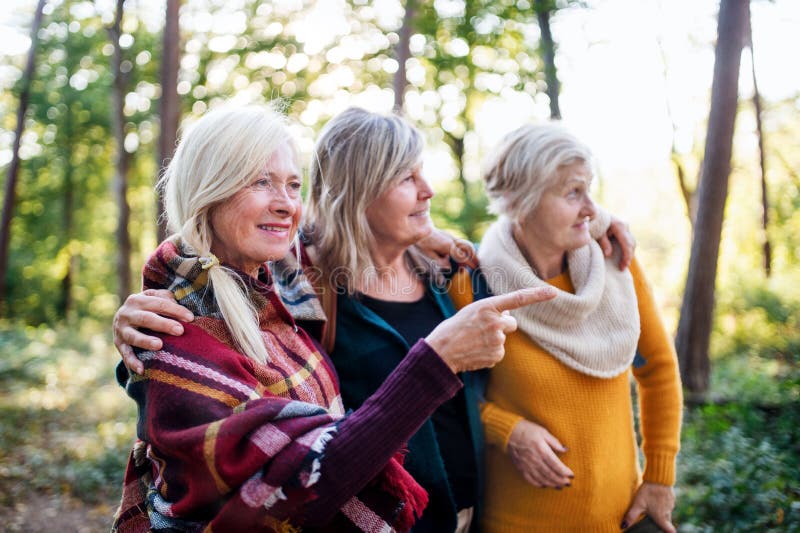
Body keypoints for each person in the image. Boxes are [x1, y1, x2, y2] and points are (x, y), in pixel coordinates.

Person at [113, 108, 636, 532]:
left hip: (475, 512)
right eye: (406, 177)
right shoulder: (306, 286)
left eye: (293, 185)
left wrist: (599, 219)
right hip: (384, 519)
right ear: (362, 192)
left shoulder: (448, 271)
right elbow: (216, 265)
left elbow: (531, 238)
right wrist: (148, 295)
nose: (427, 190)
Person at [448, 122, 683, 532]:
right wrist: (509, 431)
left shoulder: (616, 266)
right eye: (573, 193)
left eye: (588, 190)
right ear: (523, 201)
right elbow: (445, 397)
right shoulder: (471, 286)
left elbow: (658, 369)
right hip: (515, 522)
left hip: (621, 518)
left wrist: (660, 477)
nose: (591, 209)